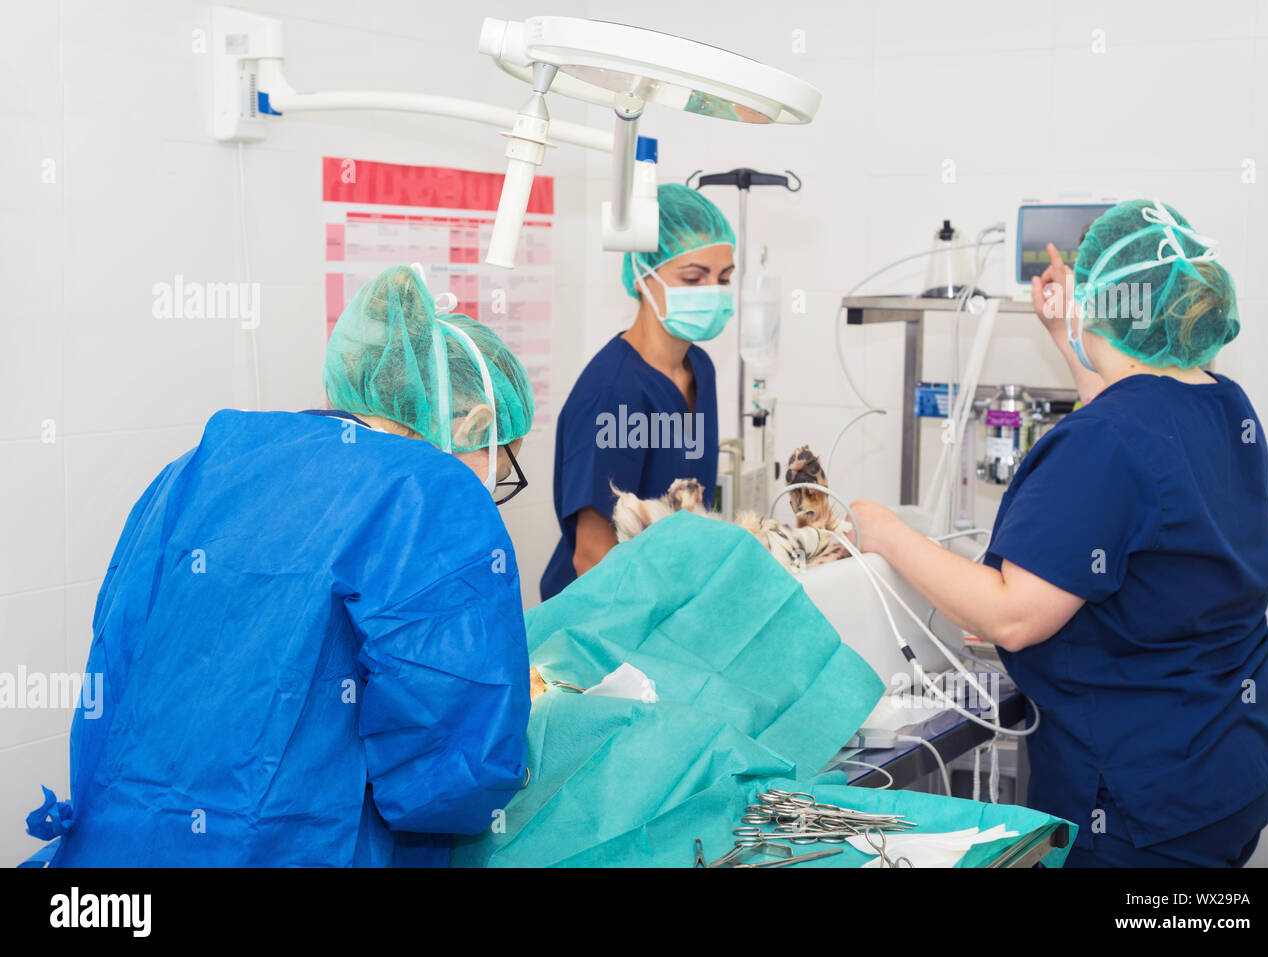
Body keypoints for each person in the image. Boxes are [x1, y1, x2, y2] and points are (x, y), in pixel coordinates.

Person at [23, 265, 535, 867]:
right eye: (500, 471)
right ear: (473, 424)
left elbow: (115, 658)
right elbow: (451, 771)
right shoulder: (430, 491)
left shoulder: (200, 466)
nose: (489, 490)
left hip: (127, 846)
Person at [849, 199, 1268, 866]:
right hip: (1239, 750)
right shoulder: (1221, 401)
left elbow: (1013, 615)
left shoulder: (1104, 441)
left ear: (1104, 307)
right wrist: (1067, 334)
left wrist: (886, 533)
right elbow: (1131, 418)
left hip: (1145, 790)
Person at [540, 183, 735, 599]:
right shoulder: (614, 393)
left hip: (668, 593)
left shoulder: (700, 368)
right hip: (603, 613)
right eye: (693, 277)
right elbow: (592, 556)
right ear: (643, 276)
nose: (713, 292)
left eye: (724, 278)